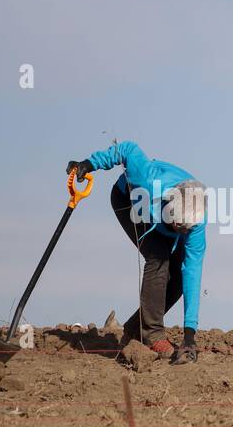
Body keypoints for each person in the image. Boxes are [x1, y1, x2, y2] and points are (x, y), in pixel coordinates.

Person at [66, 141, 207, 364]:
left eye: (184, 229)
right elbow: (127, 149)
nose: (180, 231)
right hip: (131, 200)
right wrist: (89, 163)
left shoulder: (196, 222)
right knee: (159, 257)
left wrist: (190, 336)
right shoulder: (148, 181)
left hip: (161, 214)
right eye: (176, 224)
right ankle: (152, 334)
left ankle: (133, 329)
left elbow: (193, 272)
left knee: (179, 277)